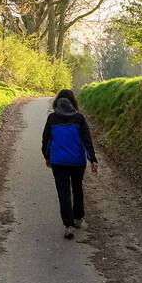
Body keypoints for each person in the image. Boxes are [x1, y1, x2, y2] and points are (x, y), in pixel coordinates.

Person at [41, 90, 98, 239]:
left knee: (64, 192)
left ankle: (68, 226)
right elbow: (87, 140)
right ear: (73, 102)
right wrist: (92, 159)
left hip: (58, 161)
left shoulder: (52, 118)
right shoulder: (79, 118)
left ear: (57, 102)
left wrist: (47, 156)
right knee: (77, 187)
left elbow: (46, 140)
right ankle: (78, 219)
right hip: (77, 161)